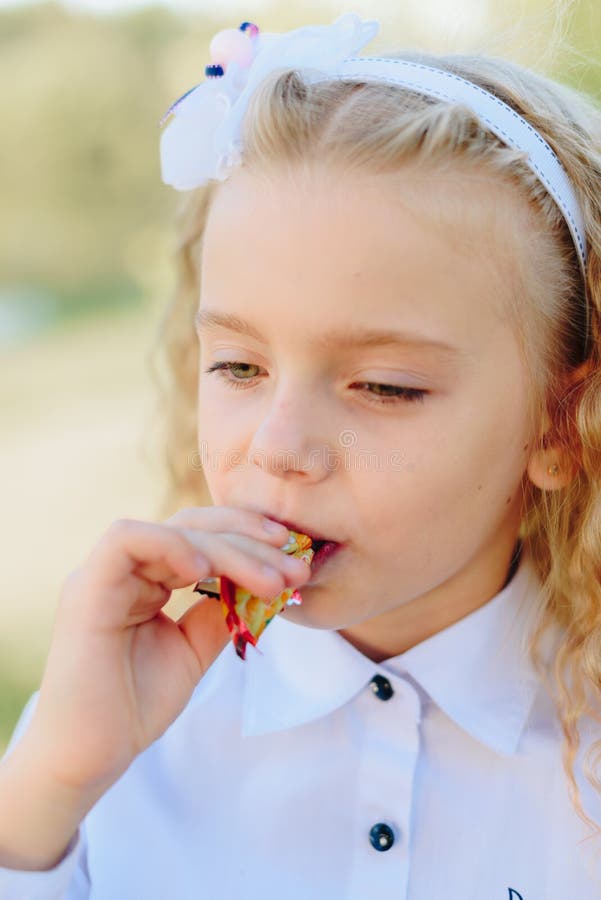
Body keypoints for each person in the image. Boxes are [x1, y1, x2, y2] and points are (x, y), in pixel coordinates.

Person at [1, 11, 600, 898]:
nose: (278, 449)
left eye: (386, 386)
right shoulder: (104, 740)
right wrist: (45, 797)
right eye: (239, 366)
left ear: (558, 421)